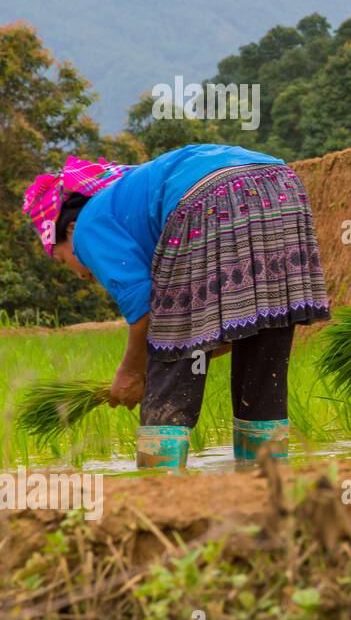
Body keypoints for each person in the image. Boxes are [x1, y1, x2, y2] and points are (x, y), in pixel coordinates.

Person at [23, 146, 331, 468]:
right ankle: (267, 477)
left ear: (70, 232)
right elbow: (214, 335)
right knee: (263, 346)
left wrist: (132, 372)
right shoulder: (127, 199)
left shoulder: (87, 225)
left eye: (62, 259)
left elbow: (144, 311)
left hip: (208, 197)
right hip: (281, 186)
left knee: (168, 349)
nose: (81, 274)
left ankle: (160, 489)